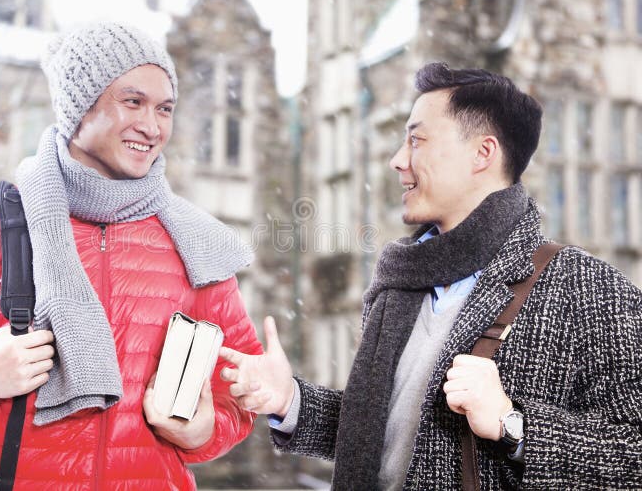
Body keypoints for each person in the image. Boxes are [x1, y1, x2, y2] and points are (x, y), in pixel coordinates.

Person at [0, 22, 263, 490]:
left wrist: (201, 430)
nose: (152, 126)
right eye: (132, 102)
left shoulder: (196, 243)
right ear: (80, 106)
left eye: (165, 108)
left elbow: (237, 396)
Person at [219, 62, 642, 489]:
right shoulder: (401, 282)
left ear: (483, 153)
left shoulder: (585, 288)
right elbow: (386, 437)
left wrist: (513, 425)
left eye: (417, 140)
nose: (397, 160)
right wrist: (289, 400)